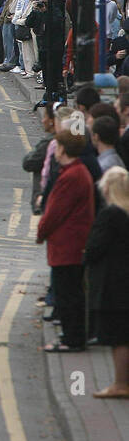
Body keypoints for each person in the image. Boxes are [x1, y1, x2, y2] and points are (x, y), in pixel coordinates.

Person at [38, 124, 95, 353]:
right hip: (72, 243)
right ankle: (72, 336)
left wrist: (41, 231)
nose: (56, 151)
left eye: (58, 146)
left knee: (68, 293)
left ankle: (72, 339)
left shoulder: (71, 176)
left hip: (68, 244)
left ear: (63, 149)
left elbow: (54, 212)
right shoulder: (76, 172)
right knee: (70, 291)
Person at [87, 166, 129, 396]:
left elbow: (95, 248)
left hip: (114, 284)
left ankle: (120, 384)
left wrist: (86, 254)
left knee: (118, 337)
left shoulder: (111, 214)